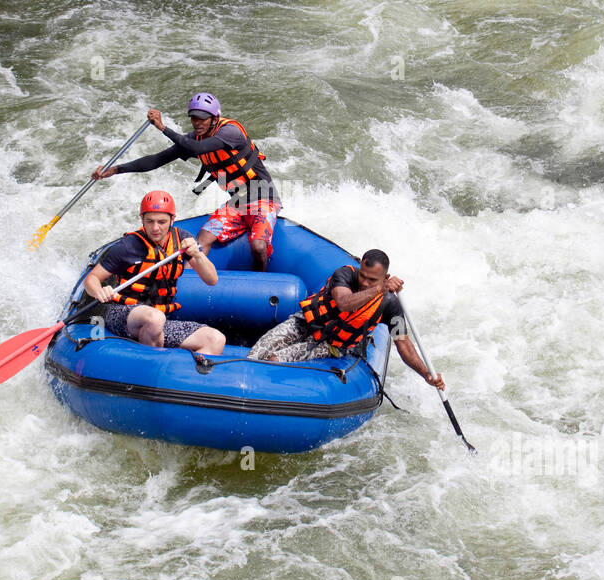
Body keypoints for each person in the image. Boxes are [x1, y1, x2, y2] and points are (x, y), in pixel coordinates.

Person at [91, 93, 281, 271]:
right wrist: (115, 170)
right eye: (194, 118)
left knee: (258, 246)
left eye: (202, 119)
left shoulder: (231, 132)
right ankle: (188, 283)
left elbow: (198, 148)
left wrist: (162, 127)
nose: (197, 123)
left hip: (264, 197)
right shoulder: (193, 139)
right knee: (201, 242)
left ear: (215, 118)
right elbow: (156, 160)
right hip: (236, 202)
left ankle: (262, 279)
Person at [248, 249, 445, 389]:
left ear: (386, 277)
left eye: (373, 280)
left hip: (330, 344)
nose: (365, 282)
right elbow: (344, 303)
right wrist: (379, 288)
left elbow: (403, 343)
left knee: (275, 359)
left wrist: (425, 373)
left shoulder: (390, 304)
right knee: (258, 352)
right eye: (363, 276)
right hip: (306, 323)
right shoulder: (344, 274)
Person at [82, 190, 225, 355]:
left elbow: (212, 279)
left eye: (162, 222)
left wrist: (198, 255)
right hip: (123, 315)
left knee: (215, 339)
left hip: (160, 319)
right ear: (142, 219)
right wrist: (99, 291)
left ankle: (178, 370)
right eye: (149, 221)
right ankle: (149, 363)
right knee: (154, 318)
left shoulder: (182, 240)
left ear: (172, 219)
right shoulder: (127, 246)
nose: (155, 228)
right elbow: (91, 279)